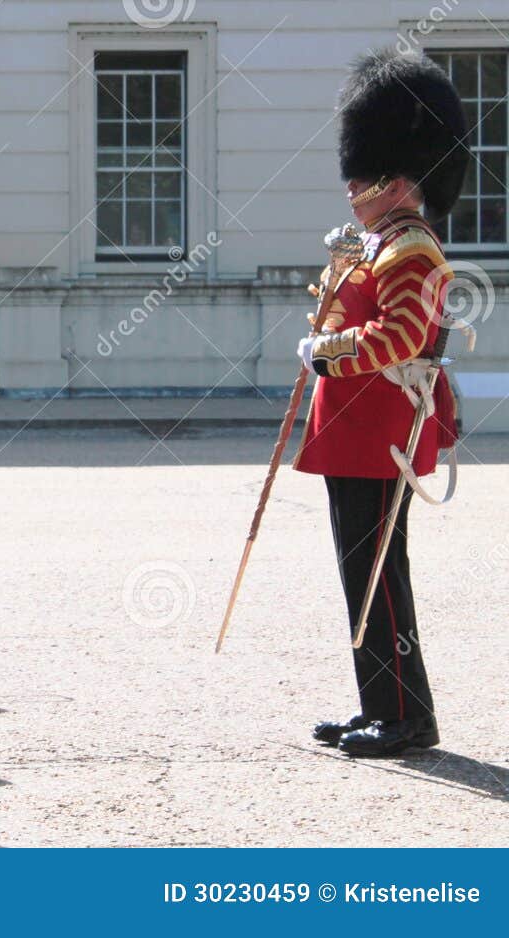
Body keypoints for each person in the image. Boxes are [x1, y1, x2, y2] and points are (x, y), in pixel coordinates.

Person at [296, 48, 468, 758]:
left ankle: (406, 717)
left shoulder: (412, 251)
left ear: (400, 181)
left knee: (379, 577)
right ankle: (382, 705)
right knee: (362, 575)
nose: (352, 188)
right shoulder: (378, 246)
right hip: (355, 428)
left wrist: (327, 353)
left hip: (380, 431)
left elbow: (399, 337)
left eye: (363, 177)